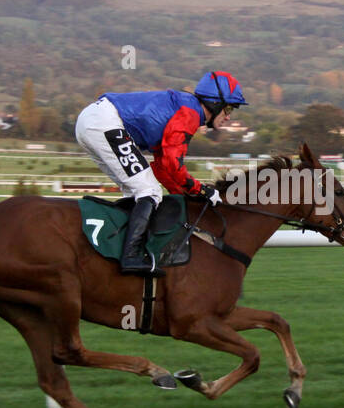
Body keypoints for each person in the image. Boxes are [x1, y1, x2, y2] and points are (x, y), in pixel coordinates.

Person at [75, 71, 247, 276]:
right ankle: (130, 257)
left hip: (94, 121)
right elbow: (173, 164)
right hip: (103, 122)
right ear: (215, 103)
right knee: (149, 191)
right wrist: (201, 190)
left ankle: (119, 250)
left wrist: (186, 195)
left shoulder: (184, 108)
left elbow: (163, 167)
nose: (228, 116)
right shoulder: (190, 113)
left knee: (137, 192)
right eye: (228, 109)